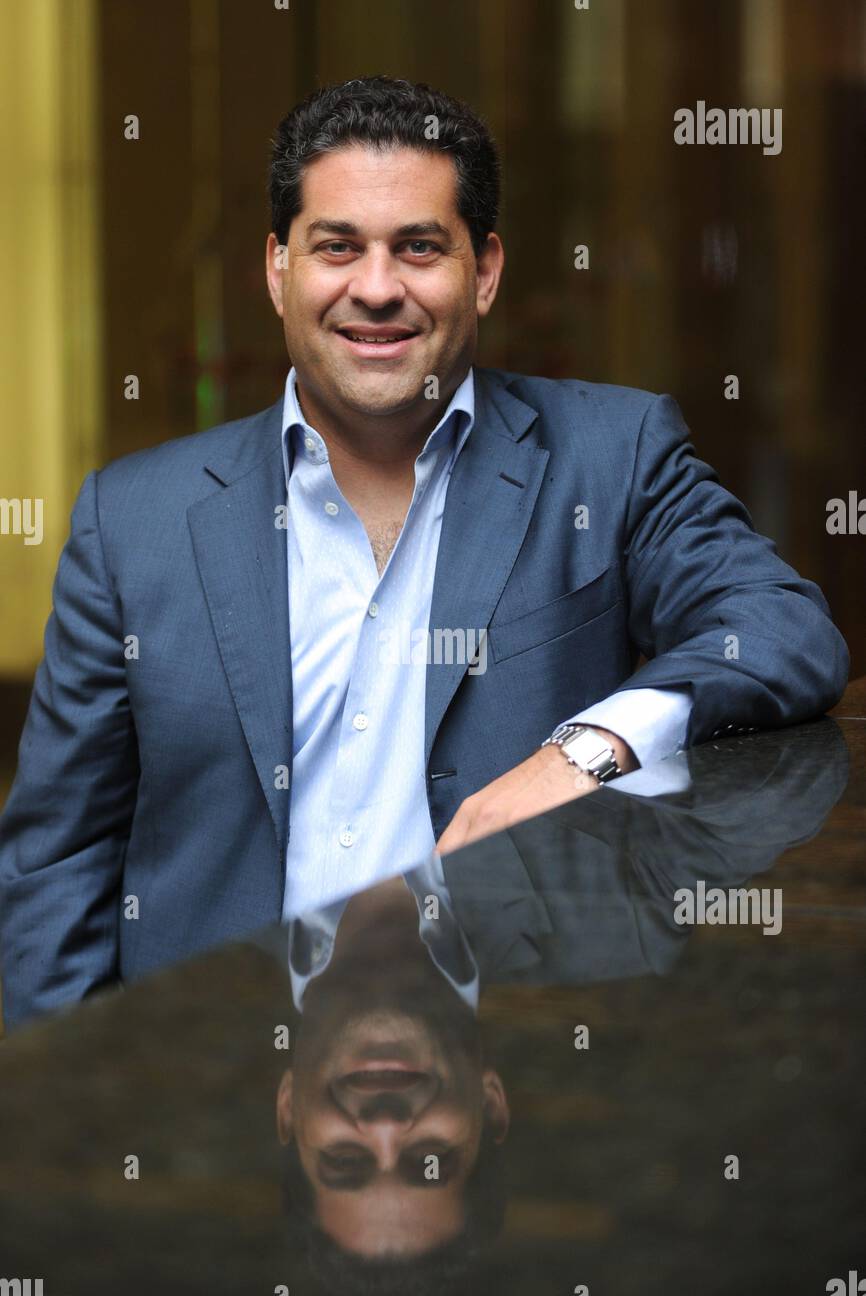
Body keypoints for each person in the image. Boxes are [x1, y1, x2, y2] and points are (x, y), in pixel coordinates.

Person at [0, 76, 848, 1031]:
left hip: (519, 1051)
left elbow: (781, 629)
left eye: (418, 247)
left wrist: (587, 751)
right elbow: (57, 861)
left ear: (483, 270)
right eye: (336, 247)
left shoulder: (611, 459)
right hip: (213, 1073)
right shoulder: (133, 520)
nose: (375, 287)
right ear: (277, 268)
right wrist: (55, 1119)